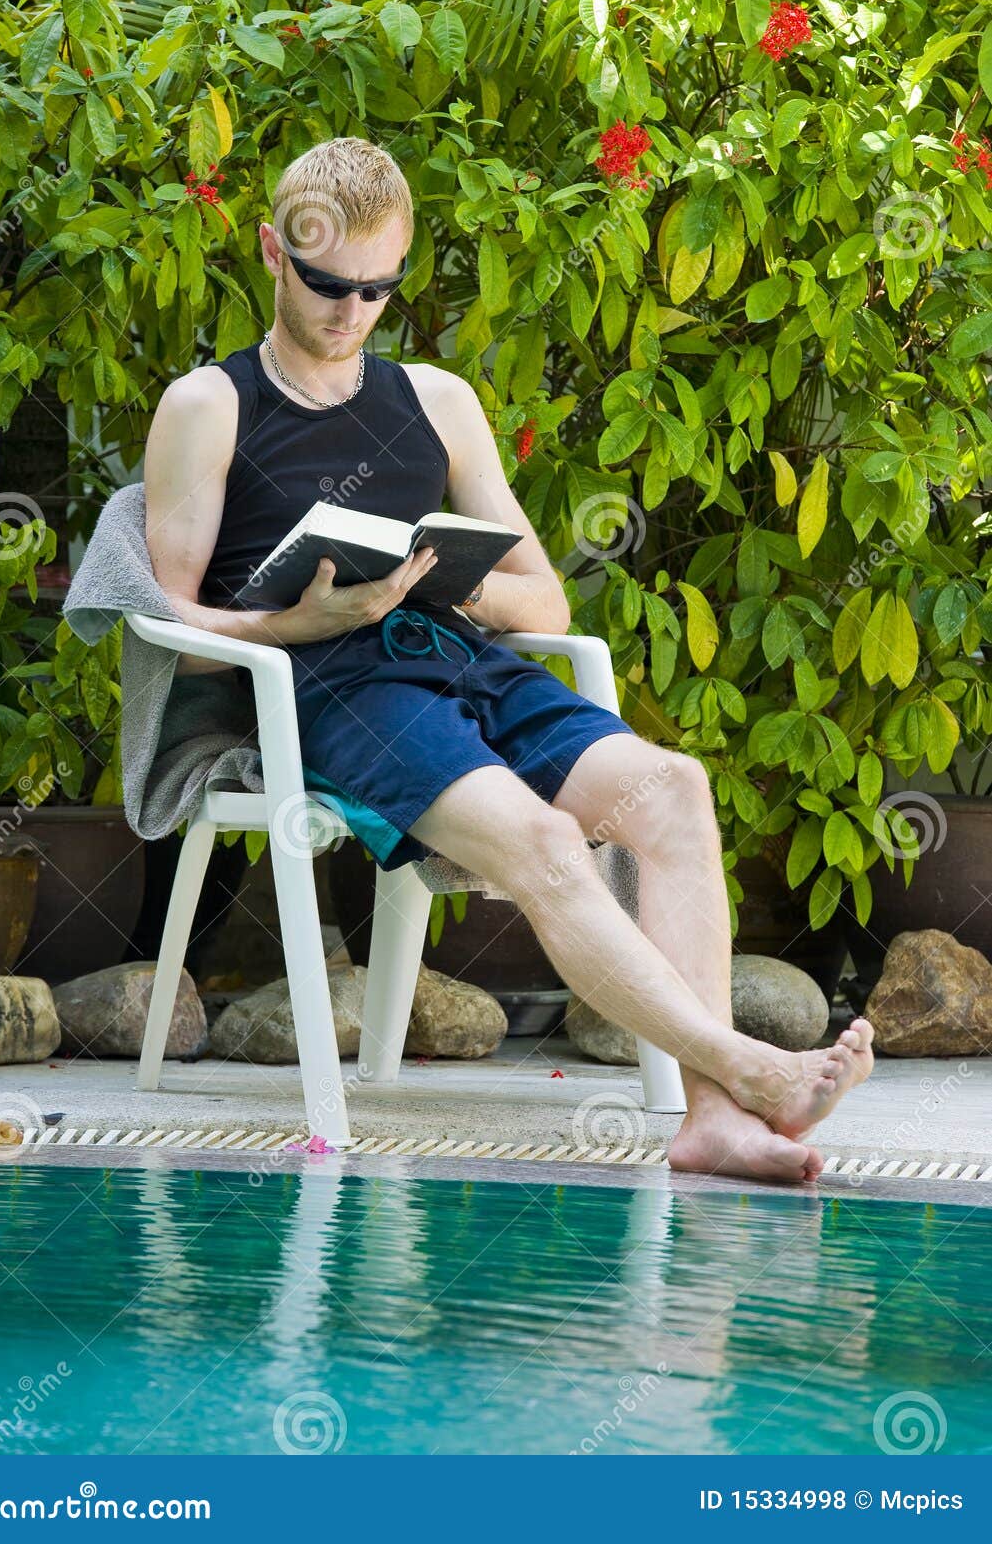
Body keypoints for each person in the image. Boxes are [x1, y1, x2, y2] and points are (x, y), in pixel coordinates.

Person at [144, 135, 873, 1186]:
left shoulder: (436, 400)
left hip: (461, 657)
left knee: (674, 790)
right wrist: (294, 626)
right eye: (327, 285)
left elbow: (544, 597)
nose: (352, 312)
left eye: (378, 289)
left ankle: (713, 1120)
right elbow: (167, 621)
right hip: (335, 690)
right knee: (543, 840)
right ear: (272, 251)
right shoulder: (210, 405)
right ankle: (747, 1066)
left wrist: (443, 576)